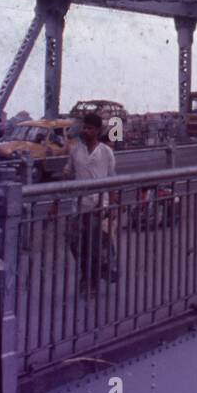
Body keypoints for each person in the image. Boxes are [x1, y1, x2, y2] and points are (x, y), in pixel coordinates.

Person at [62, 113, 117, 294]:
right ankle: (92, 274)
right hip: (79, 206)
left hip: (99, 206)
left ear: (98, 131)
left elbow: (112, 180)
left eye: (90, 128)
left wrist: (114, 206)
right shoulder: (76, 150)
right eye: (84, 127)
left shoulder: (106, 152)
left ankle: (90, 281)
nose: (86, 131)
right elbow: (67, 172)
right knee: (75, 243)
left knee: (92, 246)